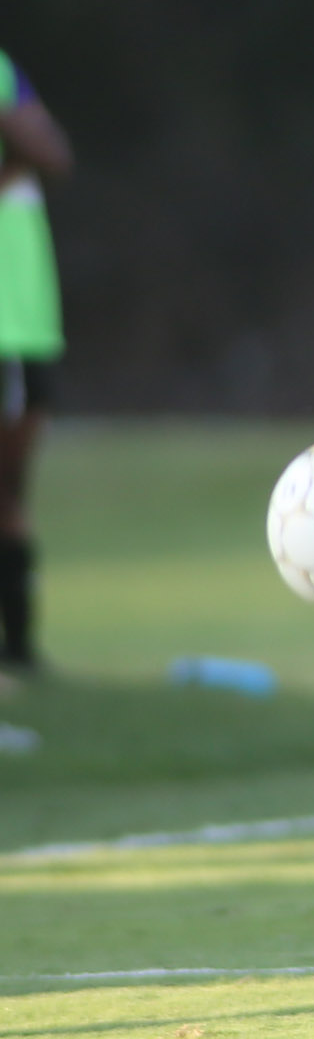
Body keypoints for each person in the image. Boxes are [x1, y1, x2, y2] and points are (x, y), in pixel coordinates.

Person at [0, 46, 73, 683]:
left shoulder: (3, 69)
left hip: (23, 320)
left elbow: (52, 151)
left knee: (14, 492)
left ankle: (20, 651)